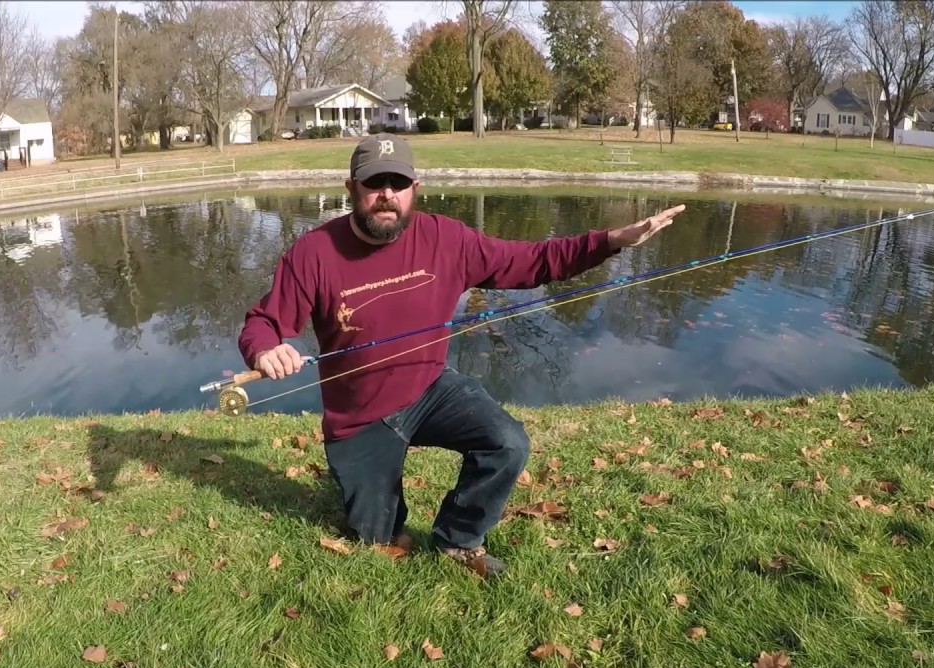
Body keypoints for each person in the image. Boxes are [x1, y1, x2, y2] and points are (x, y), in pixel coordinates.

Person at [237, 133, 685, 578]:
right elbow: (264, 322)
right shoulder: (314, 253)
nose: (387, 195)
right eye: (374, 183)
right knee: (375, 537)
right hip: (360, 417)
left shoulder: (445, 239)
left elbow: (532, 260)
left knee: (508, 442)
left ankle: (459, 537)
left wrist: (611, 239)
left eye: (398, 183)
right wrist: (265, 349)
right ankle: (375, 505)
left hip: (428, 388)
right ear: (351, 188)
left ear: (416, 189)